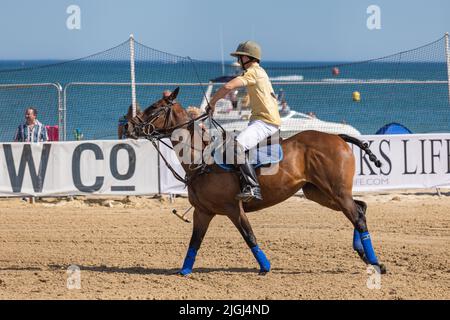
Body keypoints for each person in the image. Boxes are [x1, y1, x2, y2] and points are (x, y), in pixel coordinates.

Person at [207, 41, 281, 202]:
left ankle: (253, 188)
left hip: (264, 122)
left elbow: (228, 87)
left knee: (235, 147)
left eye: (240, 57)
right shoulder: (259, 72)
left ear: (247, 57)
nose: (239, 61)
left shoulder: (253, 72)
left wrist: (211, 104)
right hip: (261, 121)